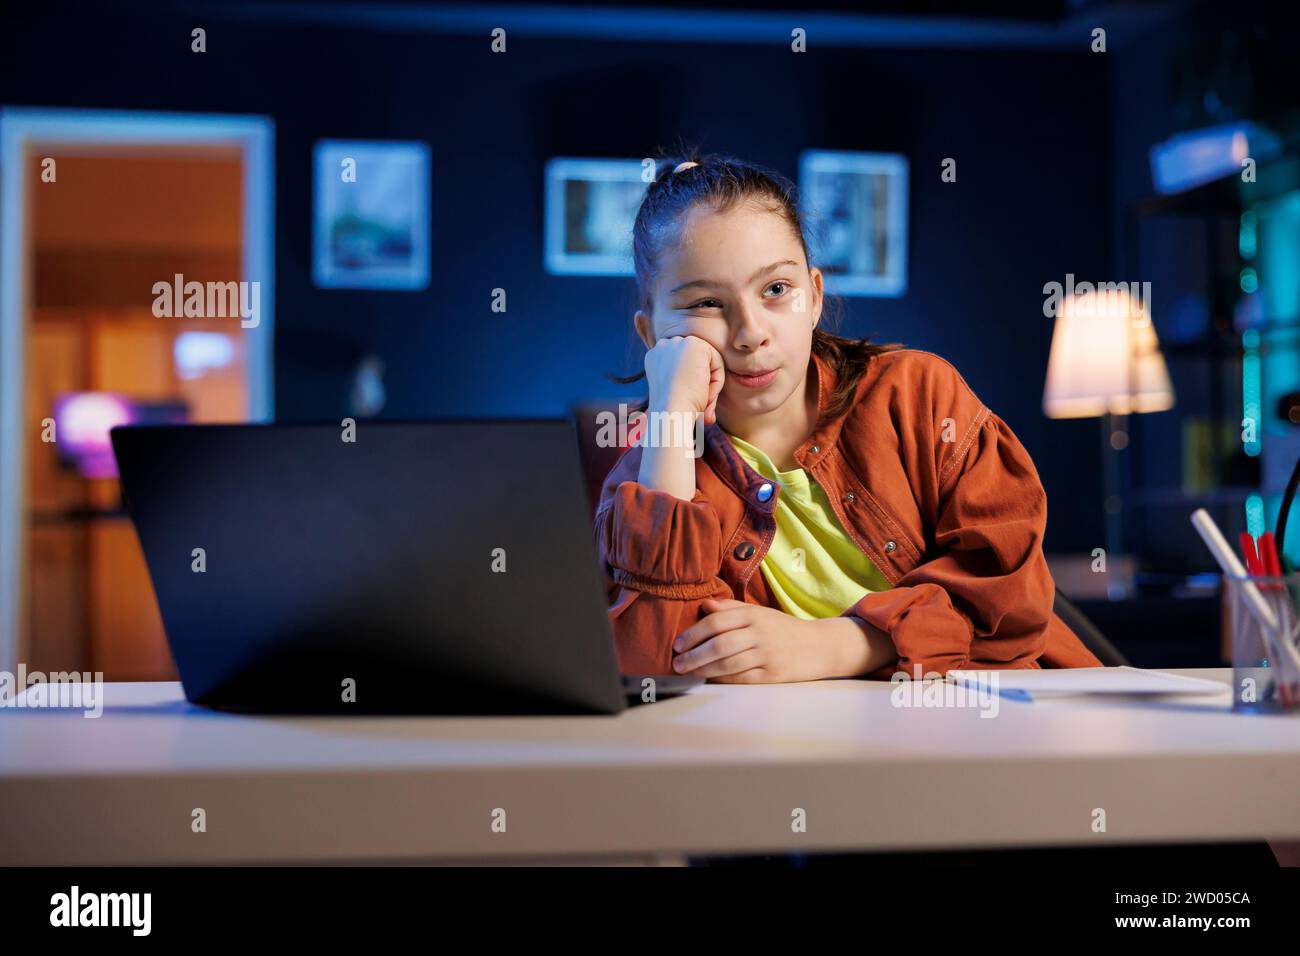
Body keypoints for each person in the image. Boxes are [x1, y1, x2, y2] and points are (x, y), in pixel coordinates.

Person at [595, 152, 1102, 682]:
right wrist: (672, 417)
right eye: (705, 303)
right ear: (652, 336)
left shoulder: (918, 395)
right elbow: (654, 669)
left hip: (1000, 724)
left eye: (775, 290)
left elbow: (1010, 606)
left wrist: (844, 644)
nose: (750, 332)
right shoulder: (654, 475)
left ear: (814, 296)